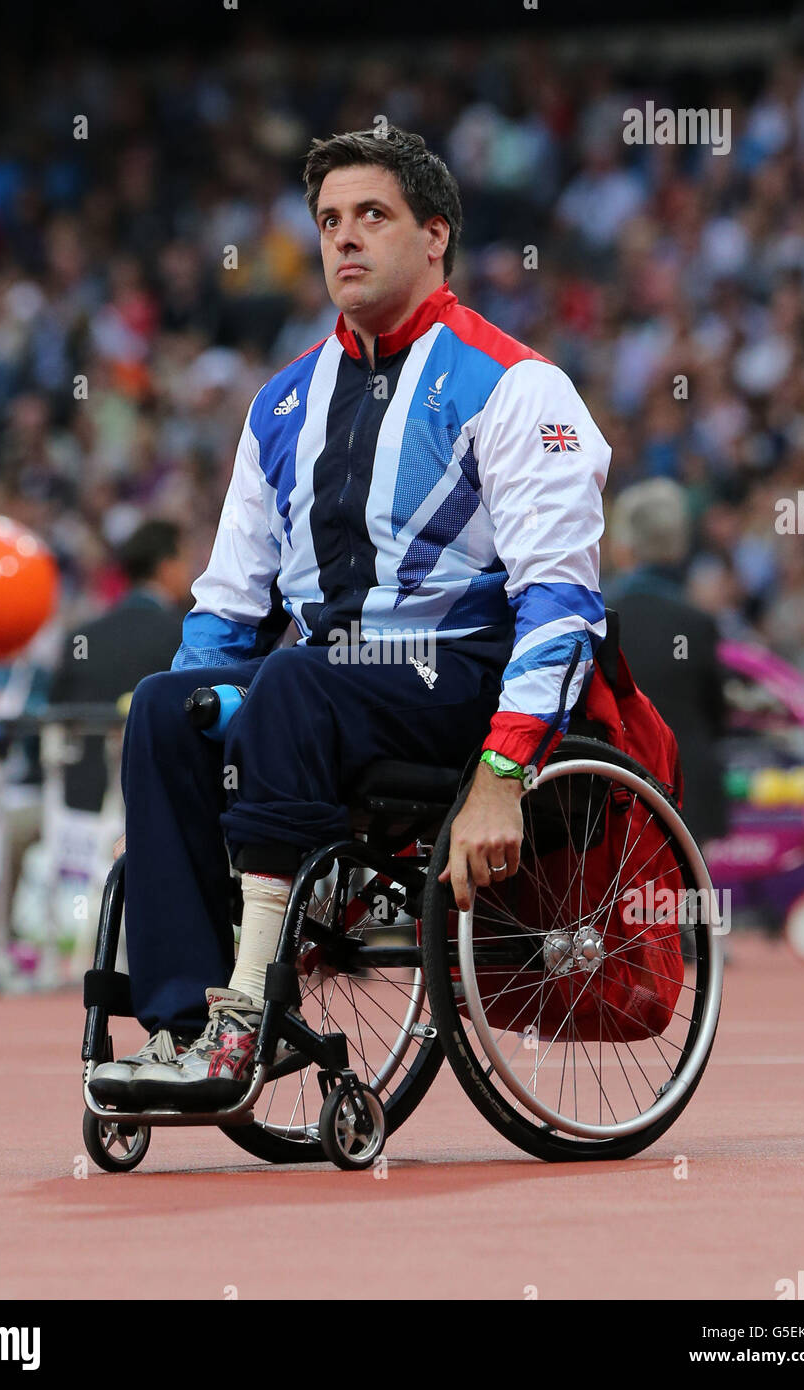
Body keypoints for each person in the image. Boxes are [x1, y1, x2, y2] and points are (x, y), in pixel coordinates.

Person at [91, 127, 611, 1111]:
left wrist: (503, 773)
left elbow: (562, 603)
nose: (344, 238)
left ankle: (248, 1014)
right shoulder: (283, 402)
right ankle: (181, 1026)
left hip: (457, 675)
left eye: (372, 215)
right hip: (327, 685)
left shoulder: (515, 384)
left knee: (296, 677)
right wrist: (196, 726)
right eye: (329, 220)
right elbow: (228, 604)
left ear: (434, 236)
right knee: (163, 704)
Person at [606, 478, 727, 847]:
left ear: (624, 547)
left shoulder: (601, 617)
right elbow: (716, 714)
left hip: (617, 787)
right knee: (688, 885)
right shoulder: (695, 622)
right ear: (678, 547)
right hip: (688, 790)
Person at [48, 520, 189, 812]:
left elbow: (57, 711)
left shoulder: (81, 637)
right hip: (150, 800)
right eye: (185, 560)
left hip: (76, 799)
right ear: (166, 567)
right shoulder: (183, 638)